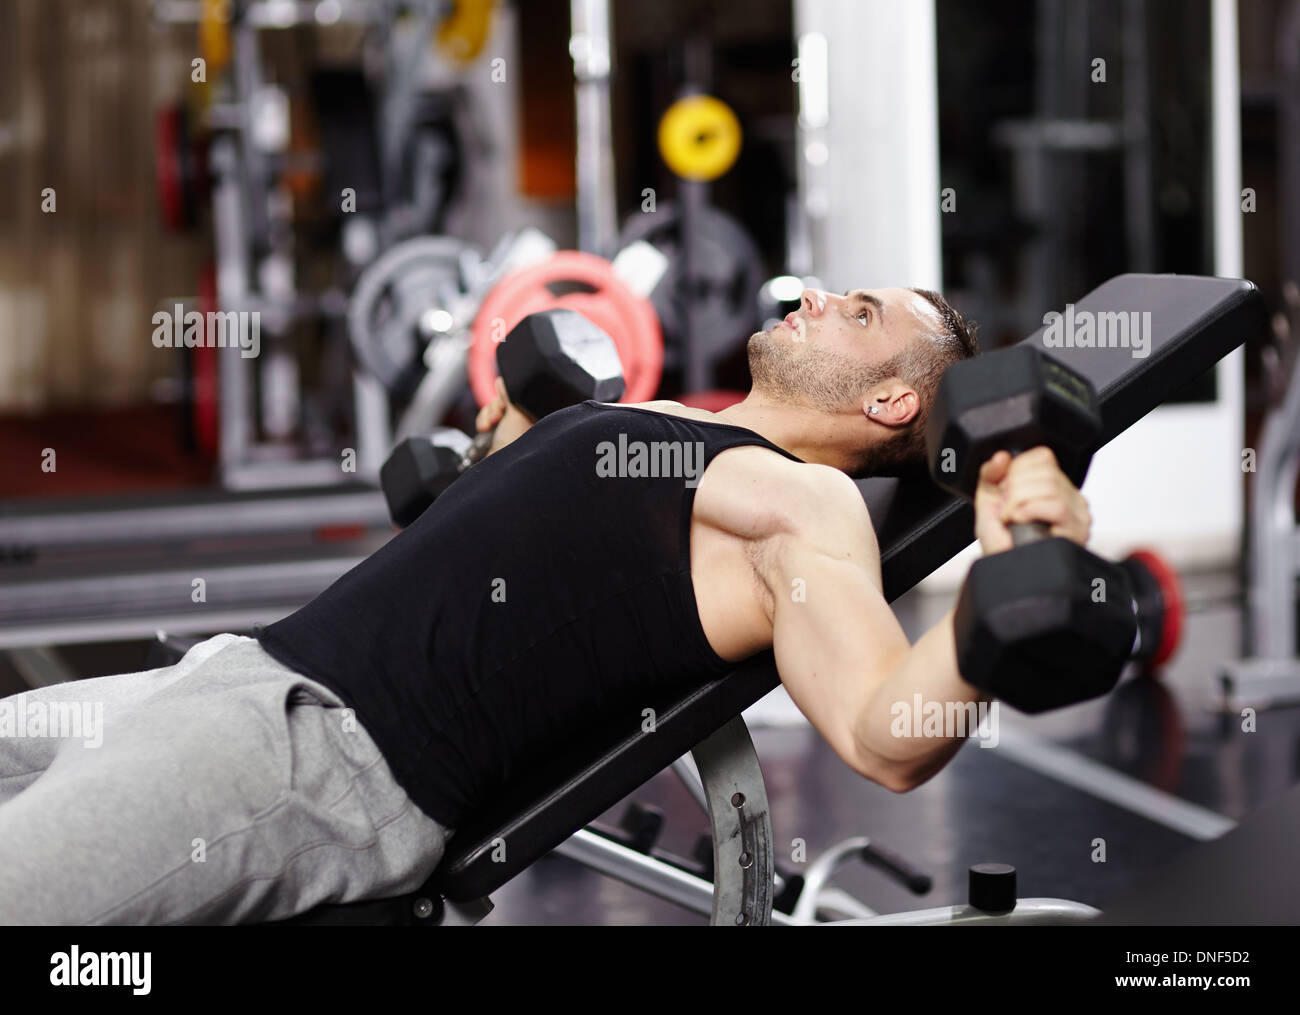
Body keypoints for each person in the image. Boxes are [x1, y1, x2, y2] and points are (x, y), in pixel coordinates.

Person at [0, 286, 1091, 925]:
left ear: (891, 398)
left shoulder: (797, 504)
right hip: (229, 682)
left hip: (306, 767)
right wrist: (501, 442)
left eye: (857, 313)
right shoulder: (684, 426)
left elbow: (883, 730)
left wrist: (1009, 582)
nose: (812, 298)